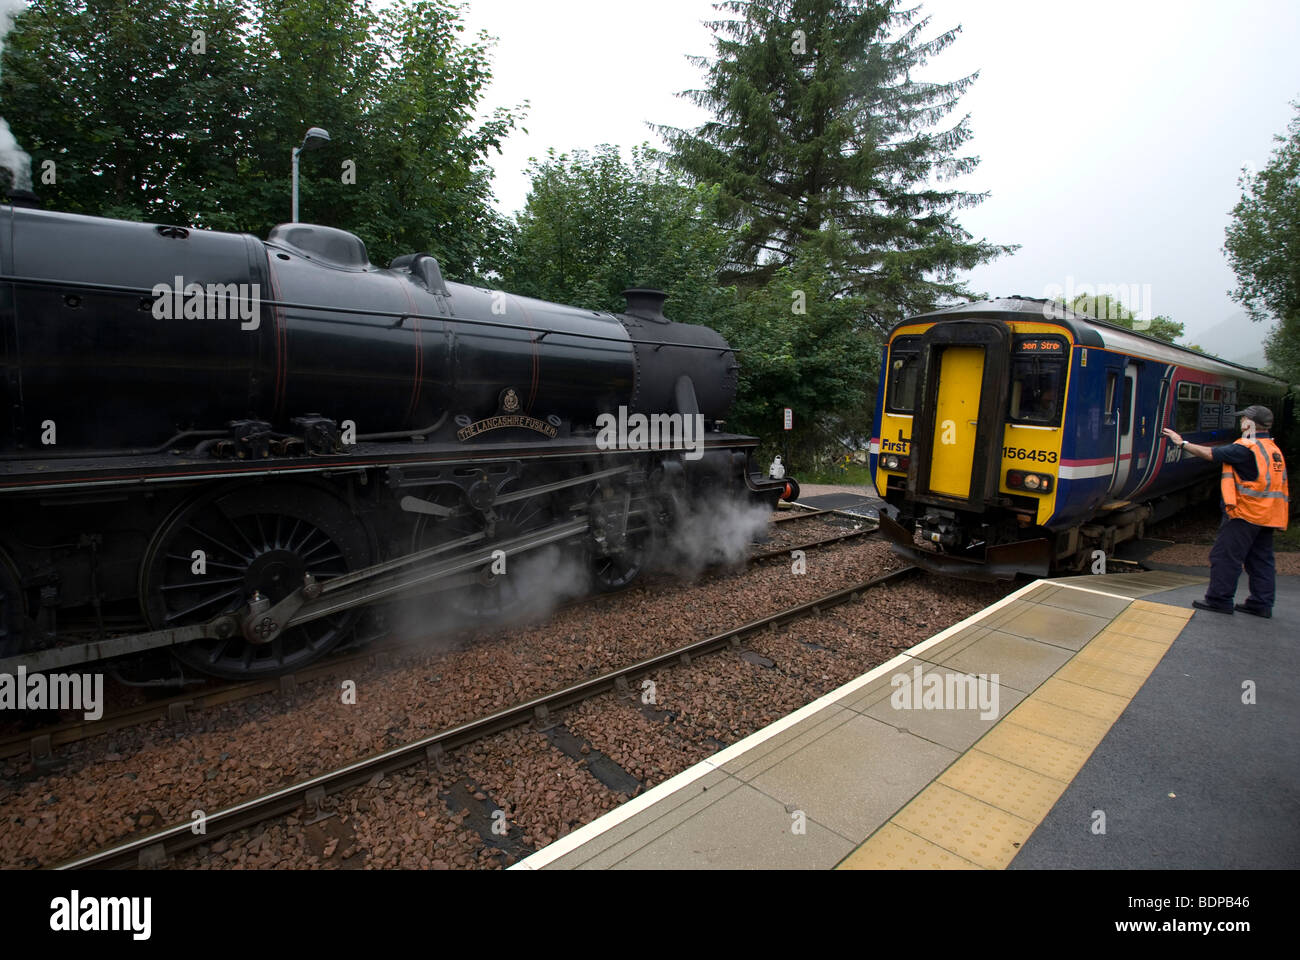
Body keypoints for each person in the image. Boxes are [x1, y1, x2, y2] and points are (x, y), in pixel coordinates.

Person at [1162, 405, 1289, 617]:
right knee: (1261, 560)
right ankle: (1261, 604)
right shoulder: (1272, 448)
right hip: (1269, 514)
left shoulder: (1246, 447)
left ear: (1249, 423)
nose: (1241, 423)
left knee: (1225, 557)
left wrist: (1181, 442)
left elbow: (1210, 454)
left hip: (1245, 513)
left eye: (1243, 420)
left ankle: (1219, 599)